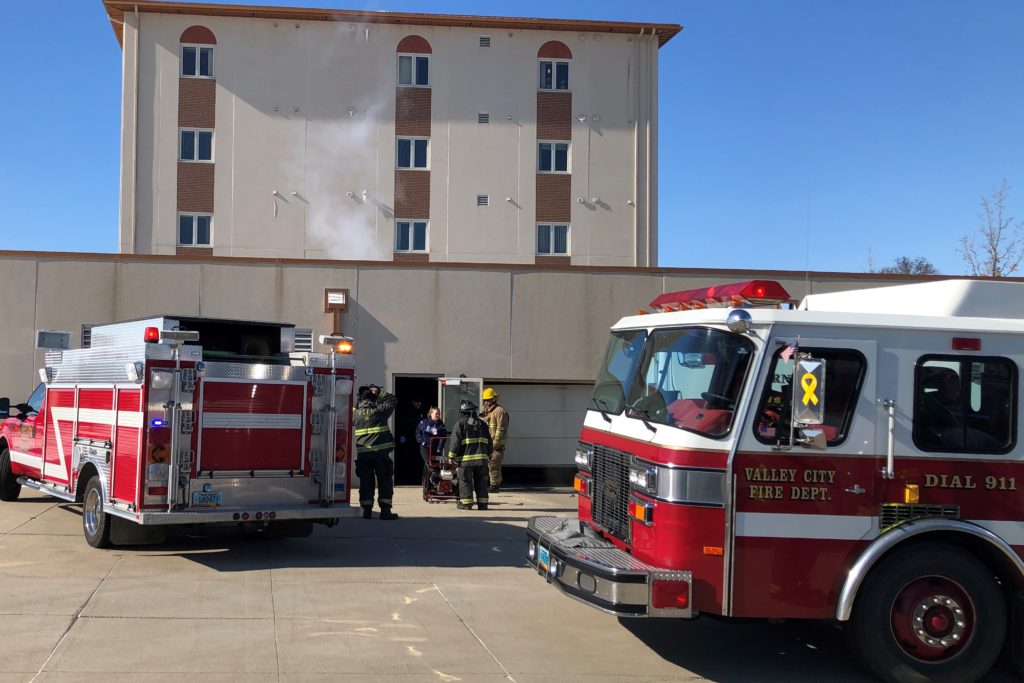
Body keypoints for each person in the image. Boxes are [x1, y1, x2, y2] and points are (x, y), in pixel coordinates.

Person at [353, 384, 399, 520]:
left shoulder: (355, 414)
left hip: (363, 455)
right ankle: (385, 512)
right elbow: (393, 400)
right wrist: (379, 392)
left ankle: (366, 511)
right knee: (384, 481)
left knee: (366, 482)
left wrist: (360, 395)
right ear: (374, 399)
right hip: (380, 454)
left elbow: (353, 407)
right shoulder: (379, 411)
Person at [446, 399, 492, 510]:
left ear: (462, 412)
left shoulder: (460, 423)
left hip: (466, 460)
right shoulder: (482, 424)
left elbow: (455, 442)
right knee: (481, 482)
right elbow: (489, 441)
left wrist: (451, 456)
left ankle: (466, 504)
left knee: (465, 481)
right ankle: (483, 504)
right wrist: (489, 454)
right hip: (482, 460)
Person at [479, 387, 509, 493]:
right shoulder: (486, 410)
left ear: (494, 399)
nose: (486, 402)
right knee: (484, 464)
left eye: (488, 400)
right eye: (484, 400)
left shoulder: (500, 412)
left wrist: (494, 445)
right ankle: (487, 483)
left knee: (493, 464)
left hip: (496, 444)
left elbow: (500, 431)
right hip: (486, 442)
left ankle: (495, 485)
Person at [415, 407, 447, 473]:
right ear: (431, 414)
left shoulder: (441, 425)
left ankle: (436, 479)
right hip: (425, 447)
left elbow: (443, 437)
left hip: (436, 448)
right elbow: (418, 432)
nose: (438, 415)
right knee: (429, 463)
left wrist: (439, 448)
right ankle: (429, 477)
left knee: (436, 464)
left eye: (439, 414)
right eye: (436, 414)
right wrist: (422, 441)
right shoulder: (423, 422)